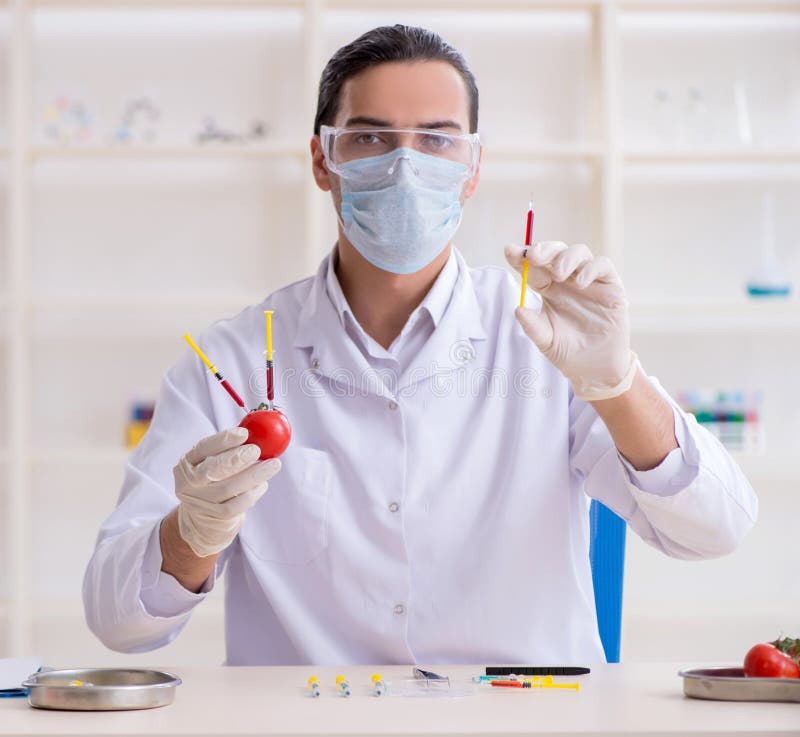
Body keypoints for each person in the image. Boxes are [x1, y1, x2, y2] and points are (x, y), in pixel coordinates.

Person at [84, 25, 757, 665]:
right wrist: (191, 534)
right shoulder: (230, 362)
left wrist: (617, 383)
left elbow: (716, 529)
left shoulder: (549, 337)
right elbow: (118, 622)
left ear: (472, 167)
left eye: (437, 141)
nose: (404, 165)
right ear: (322, 160)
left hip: (525, 717)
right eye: (371, 137)